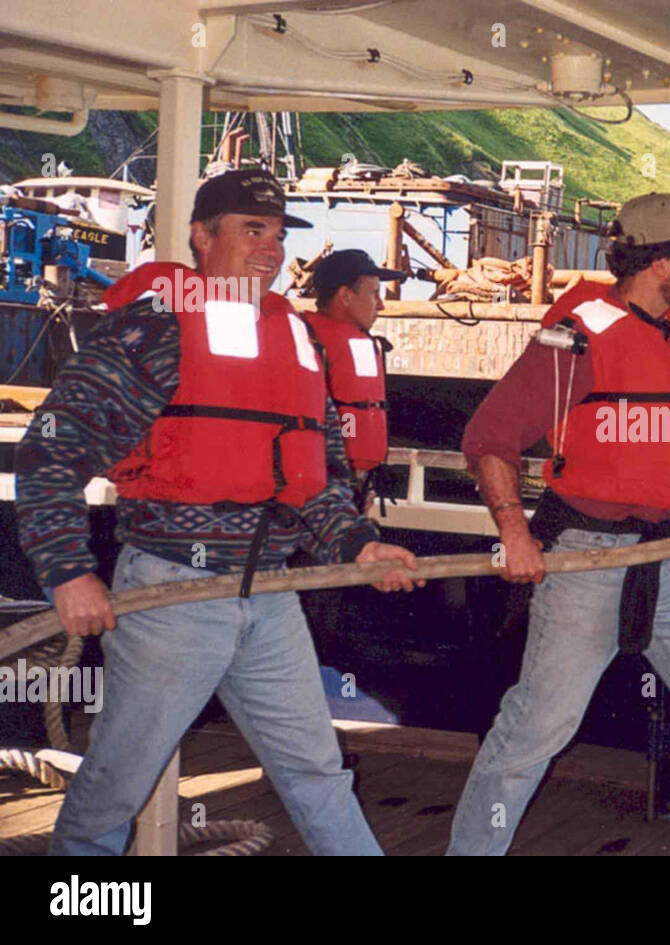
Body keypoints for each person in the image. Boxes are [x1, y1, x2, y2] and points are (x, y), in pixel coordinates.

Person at [15, 168, 423, 856]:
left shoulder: (294, 341)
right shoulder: (155, 333)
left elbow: (316, 478)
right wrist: (68, 572)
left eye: (278, 234)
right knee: (117, 786)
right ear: (202, 237)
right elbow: (48, 452)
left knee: (317, 770)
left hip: (269, 593)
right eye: (251, 230)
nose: (270, 248)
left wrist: (358, 545)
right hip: (175, 593)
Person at [447, 192, 670, 856]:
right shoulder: (579, 334)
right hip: (587, 562)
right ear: (658, 263)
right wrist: (515, 532)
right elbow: (489, 438)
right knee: (534, 730)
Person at [303, 249, 405, 511]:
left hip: (360, 483)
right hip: (322, 485)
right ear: (346, 296)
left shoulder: (362, 342)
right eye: (374, 293)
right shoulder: (305, 343)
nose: (380, 305)